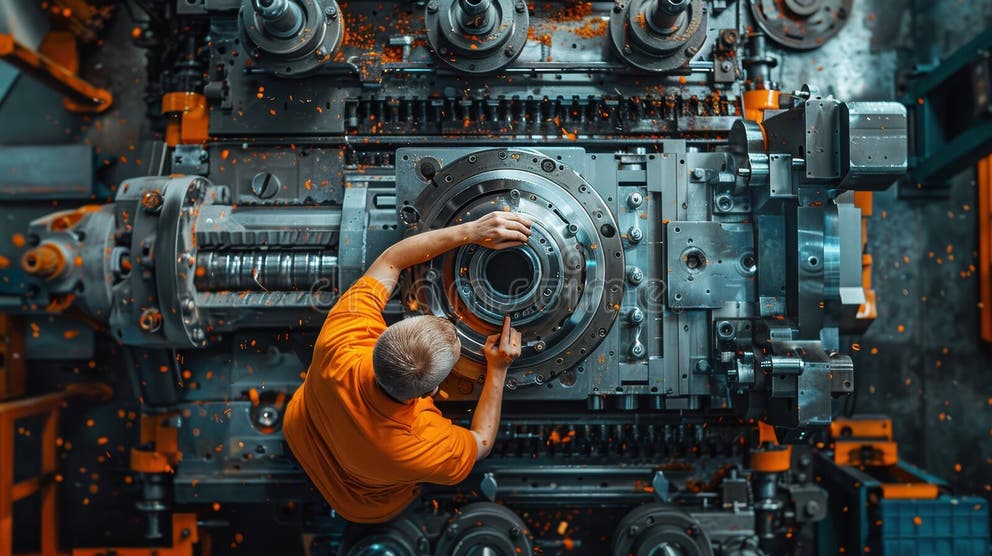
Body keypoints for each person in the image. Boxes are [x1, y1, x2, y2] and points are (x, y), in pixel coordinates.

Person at [283, 210, 533, 523]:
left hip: (300, 428)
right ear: (431, 390)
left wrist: (472, 230)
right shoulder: (421, 445)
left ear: (380, 337)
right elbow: (480, 443)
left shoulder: (342, 338)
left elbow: (391, 260)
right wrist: (498, 369)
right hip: (359, 502)